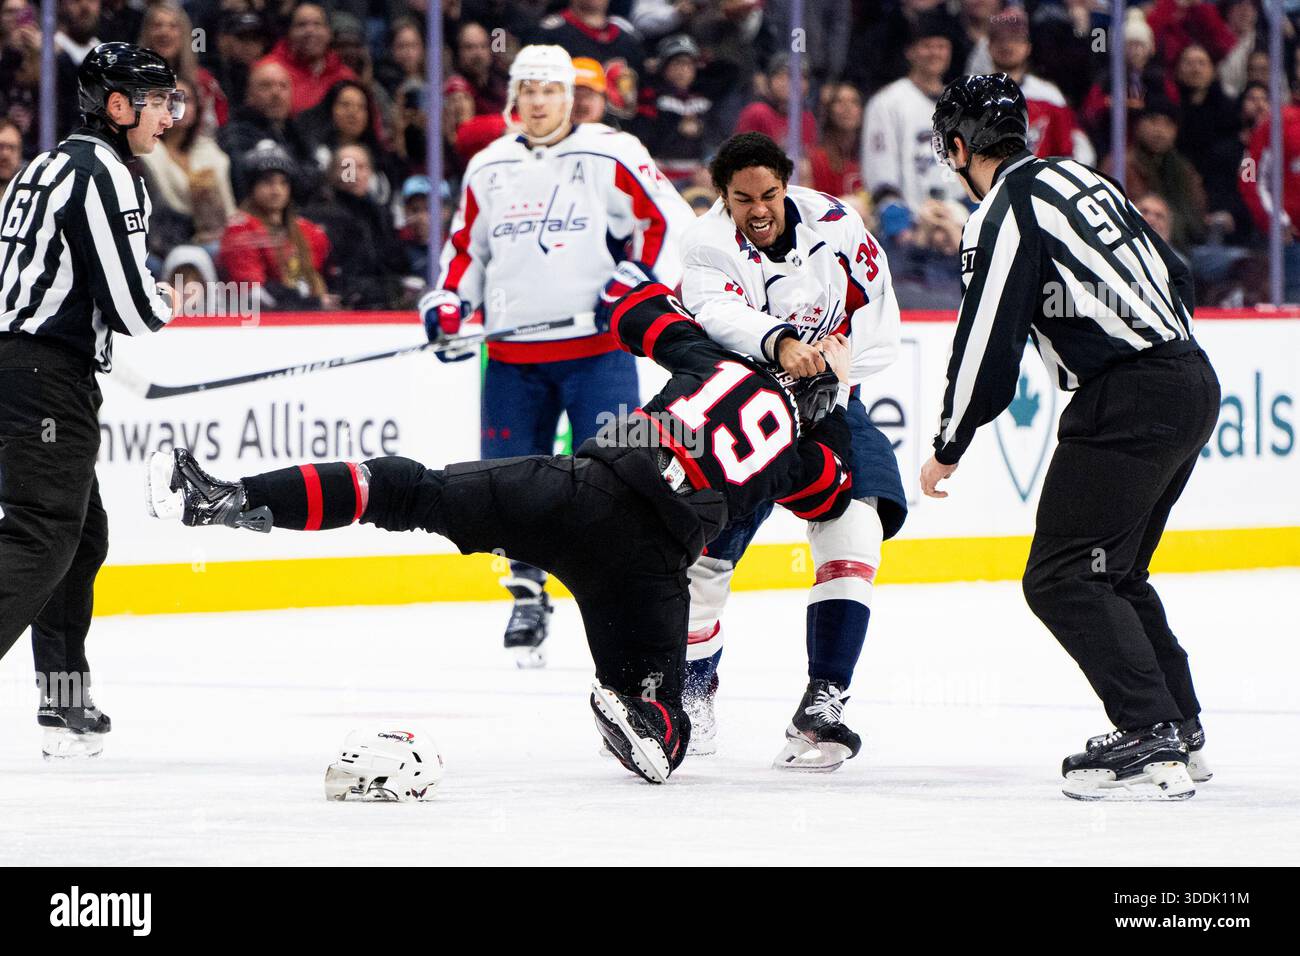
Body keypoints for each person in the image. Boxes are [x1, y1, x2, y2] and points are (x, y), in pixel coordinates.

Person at [148, 284, 859, 784]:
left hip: (578, 491)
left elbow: (633, 308)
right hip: (649, 567)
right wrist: (832, 409)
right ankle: (646, 708)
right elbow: (835, 491)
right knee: (664, 735)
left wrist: (662, 309)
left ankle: (230, 496)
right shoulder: (799, 455)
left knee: (406, 488)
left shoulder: (714, 361)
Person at [923, 73, 1221, 801]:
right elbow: (1178, 275)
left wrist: (948, 442)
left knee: (1060, 575)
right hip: (1189, 375)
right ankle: (1180, 726)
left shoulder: (1001, 213)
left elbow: (986, 348)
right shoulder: (1084, 179)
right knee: (1115, 572)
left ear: (961, 148)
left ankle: (1151, 728)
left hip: (1128, 398)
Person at [423, 44, 693, 667]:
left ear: (569, 97)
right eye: (529, 90)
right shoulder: (487, 167)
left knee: (619, 475)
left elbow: (667, 224)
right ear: (514, 98)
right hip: (513, 355)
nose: (539, 102)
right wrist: (447, 306)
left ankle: (620, 591)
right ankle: (526, 590)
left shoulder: (611, 152)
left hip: (597, 351)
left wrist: (632, 284)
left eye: (551, 90)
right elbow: (465, 253)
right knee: (509, 478)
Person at [677, 132, 907, 768]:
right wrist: (781, 347)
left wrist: (839, 370)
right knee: (703, 562)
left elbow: (880, 317)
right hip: (738, 409)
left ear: (787, 185)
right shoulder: (704, 245)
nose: (758, 210)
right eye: (743, 197)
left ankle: (822, 705)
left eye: (770, 194)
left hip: (829, 403)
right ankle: (692, 697)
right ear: (723, 196)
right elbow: (719, 316)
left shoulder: (836, 222)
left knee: (857, 526)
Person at [0, 42, 181, 758]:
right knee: (44, 535)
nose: (169, 115)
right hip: (46, 381)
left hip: (25, 371)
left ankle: (62, 698)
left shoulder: (43, 166)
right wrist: (166, 302)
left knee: (81, 534)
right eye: (160, 100)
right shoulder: (109, 174)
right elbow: (136, 307)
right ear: (118, 106)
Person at [862, 13, 968, 216]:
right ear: (910, 52)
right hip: (910, 221)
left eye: (941, 47)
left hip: (957, 218)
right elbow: (880, 170)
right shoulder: (887, 102)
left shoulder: (961, 103)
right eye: (927, 46)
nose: (935, 53)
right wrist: (897, 223)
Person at [217, 143, 335, 311]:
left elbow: (331, 275)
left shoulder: (309, 231)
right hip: (264, 322)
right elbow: (253, 295)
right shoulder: (240, 228)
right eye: (268, 182)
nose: (277, 190)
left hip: (310, 316)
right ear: (252, 187)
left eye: (283, 183)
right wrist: (310, 304)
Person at [254, 2, 356, 116]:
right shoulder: (268, 70)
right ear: (289, 32)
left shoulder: (345, 77)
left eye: (317, 24)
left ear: (329, 33)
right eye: (301, 25)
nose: (310, 31)